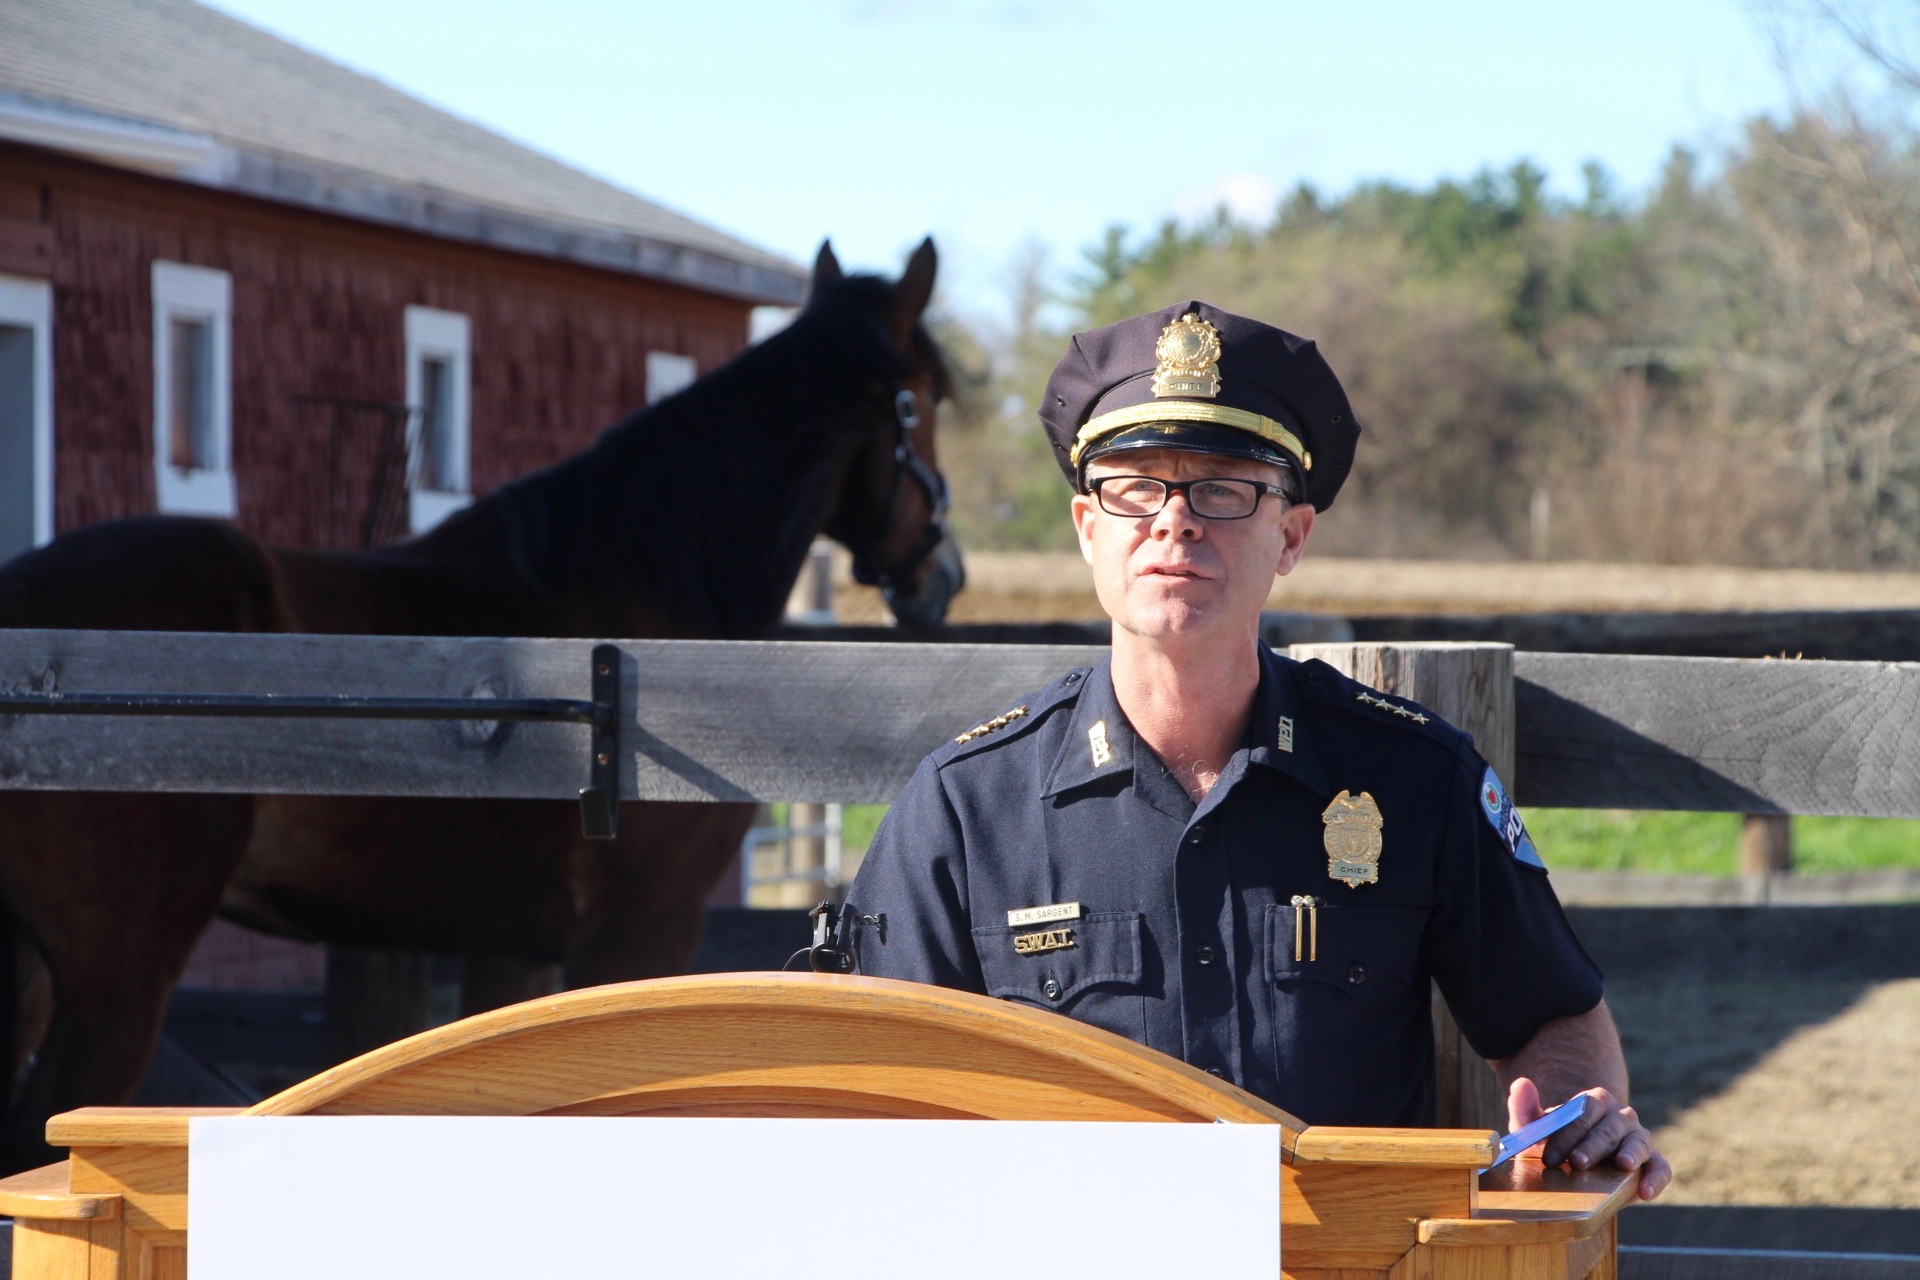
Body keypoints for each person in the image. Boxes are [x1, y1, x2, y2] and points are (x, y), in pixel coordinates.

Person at [843, 301, 1670, 1199]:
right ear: (1089, 528)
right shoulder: (966, 812)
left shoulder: (1414, 779)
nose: (1175, 521)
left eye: (1224, 489)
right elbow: (878, 1101)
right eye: (1135, 487)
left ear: (1291, 536)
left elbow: (1555, 1017)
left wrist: (1568, 1129)